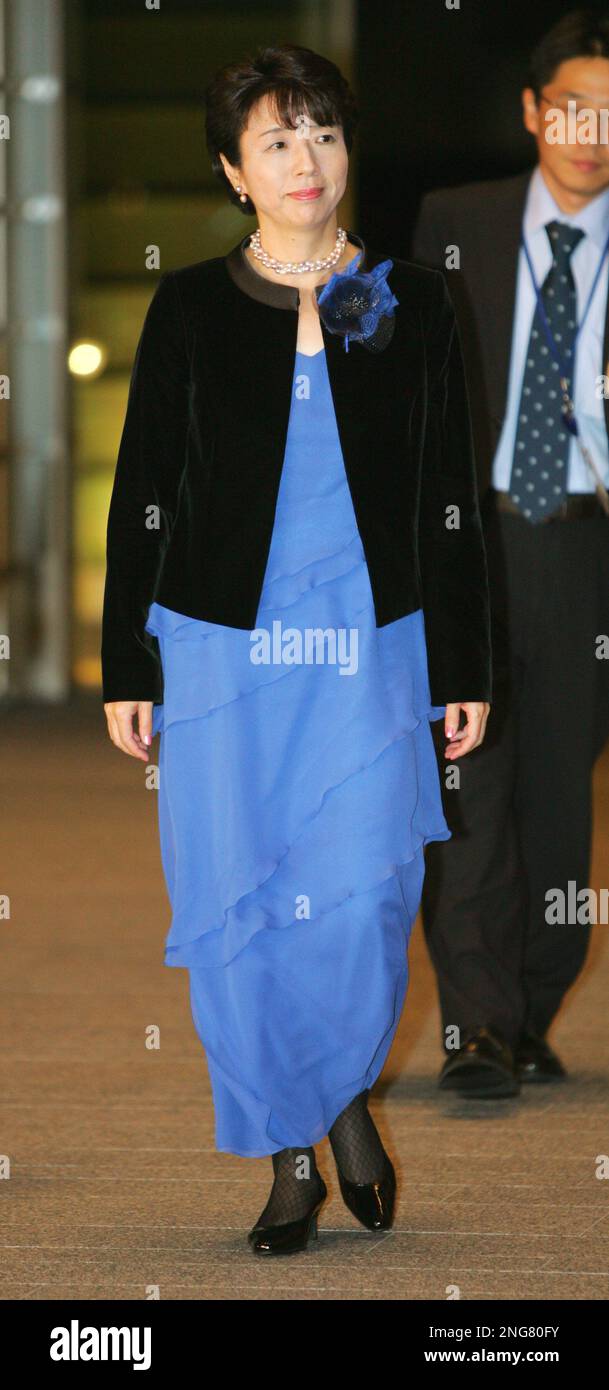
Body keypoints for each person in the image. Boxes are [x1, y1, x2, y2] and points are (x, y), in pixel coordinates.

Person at [101, 42, 491, 1256]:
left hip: (374, 646)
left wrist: (465, 665)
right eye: (276, 138)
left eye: (321, 132)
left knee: (370, 893)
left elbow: (449, 501)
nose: (305, 158)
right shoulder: (188, 309)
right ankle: (288, 1156)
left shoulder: (414, 302)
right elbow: (144, 492)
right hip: (225, 651)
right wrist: (128, 661)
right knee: (242, 901)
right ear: (234, 169)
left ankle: (345, 1097)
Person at [412, 9, 609, 1099]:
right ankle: (477, 1026)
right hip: (468, 538)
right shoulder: (457, 220)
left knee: (556, 795)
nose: (592, 131)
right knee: (464, 781)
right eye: (572, 106)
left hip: (586, 550)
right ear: (533, 111)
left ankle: (530, 1003)